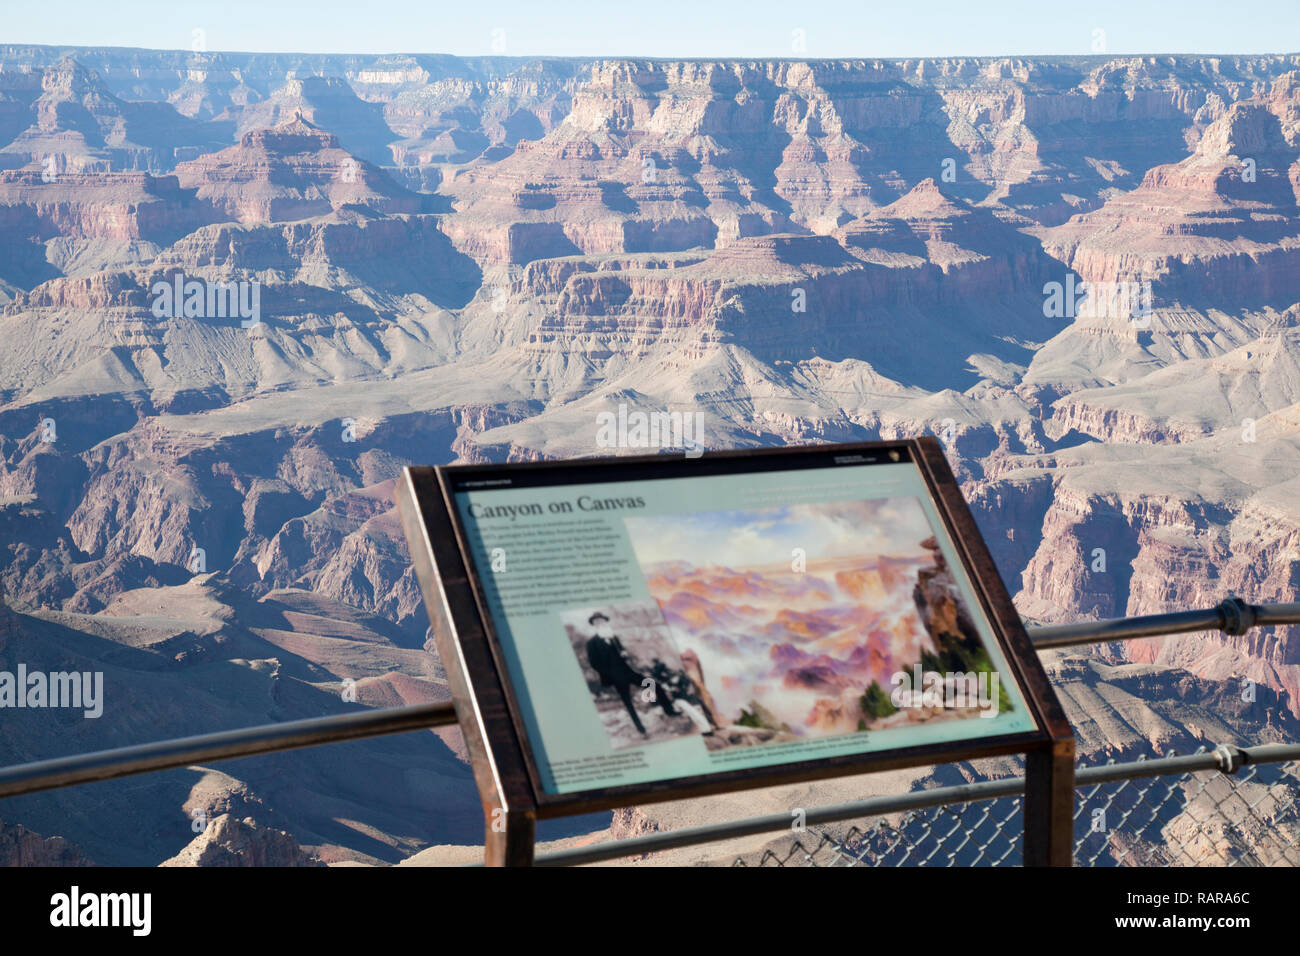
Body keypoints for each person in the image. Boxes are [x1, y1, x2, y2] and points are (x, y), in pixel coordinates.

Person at [584, 612, 679, 736]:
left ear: (605, 622)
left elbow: (622, 652)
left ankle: (669, 711)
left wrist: (624, 653)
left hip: (629, 672)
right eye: (597, 622)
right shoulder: (592, 643)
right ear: (594, 625)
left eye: (602, 621)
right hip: (615, 677)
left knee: (653, 684)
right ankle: (642, 730)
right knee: (628, 704)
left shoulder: (614, 638)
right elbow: (594, 663)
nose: (600, 623)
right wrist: (609, 675)